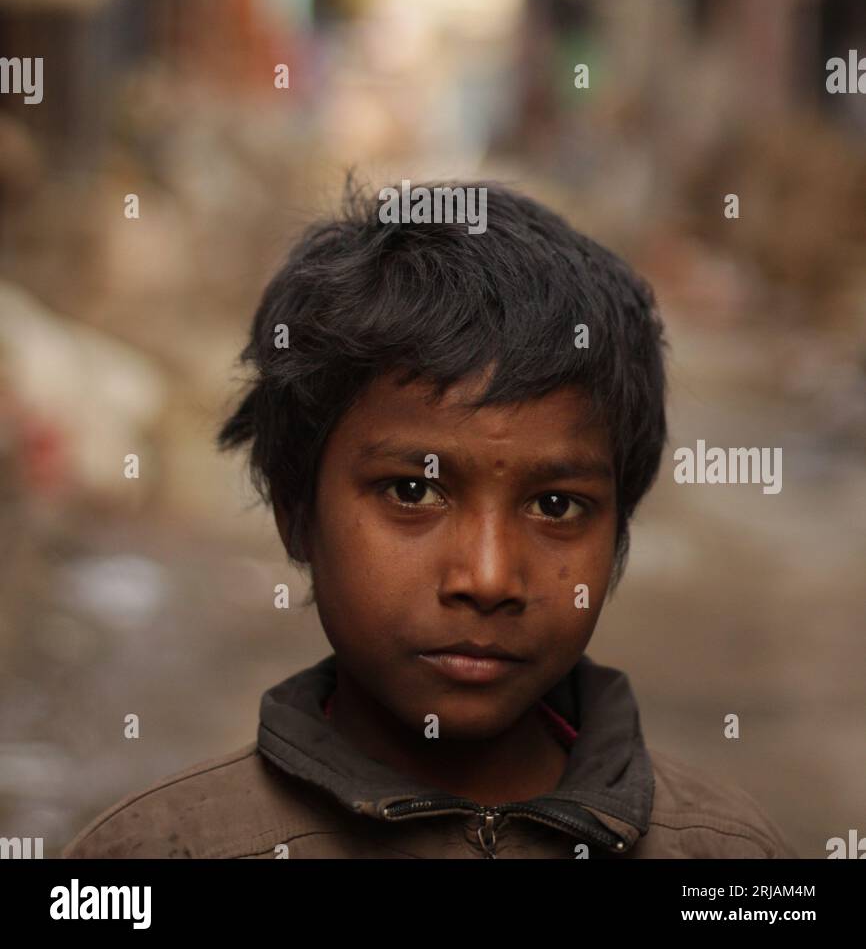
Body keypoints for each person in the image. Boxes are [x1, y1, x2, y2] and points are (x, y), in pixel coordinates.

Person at [62, 175, 797, 859]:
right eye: (412, 493)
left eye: (556, 506)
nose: (487, 577)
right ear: (295, 510)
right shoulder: (163, 851)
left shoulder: (719, 856)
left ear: (619, 535)